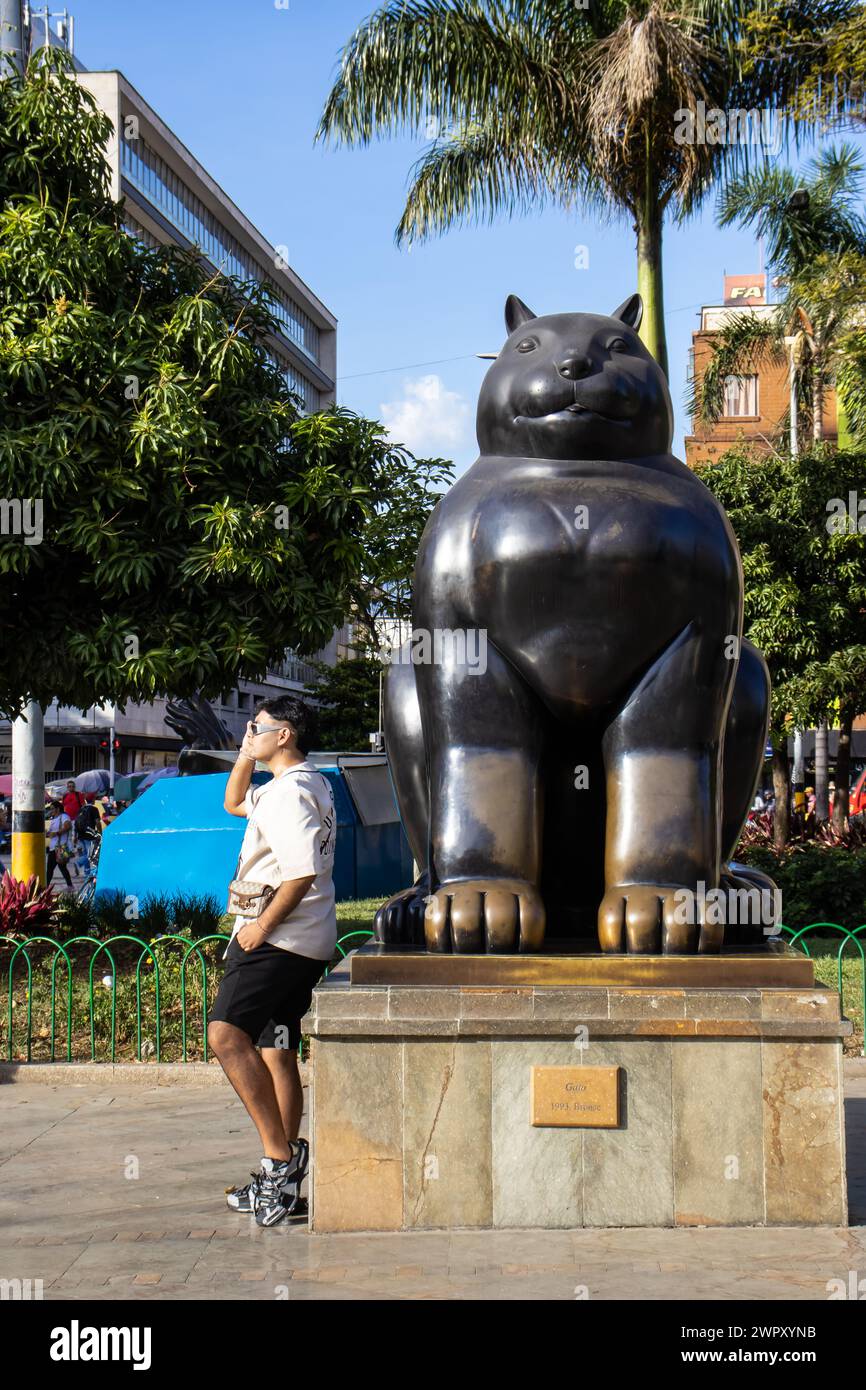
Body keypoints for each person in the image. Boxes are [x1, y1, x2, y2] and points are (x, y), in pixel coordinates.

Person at [207, 696, 336, 1228]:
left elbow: (300, 872)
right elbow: (233, 802)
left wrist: (260, 928)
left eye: (256, 727)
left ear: (285, 735)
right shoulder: (306, 783)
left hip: (275, 942)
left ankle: (279, 1160)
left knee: (224, 1036)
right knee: (276, 1050)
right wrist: (246, 751)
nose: (248, 732)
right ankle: (278, 1173)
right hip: (305, 942)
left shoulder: (289, 795)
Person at [46, 800, 74, 890]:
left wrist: (57, 833)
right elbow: (52, 833)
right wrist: (48, 833)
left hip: (61, 846)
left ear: (58, 809)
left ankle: (45, 887)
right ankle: (70, 885)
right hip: (53, 847)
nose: (51, 811)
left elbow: (68, 826)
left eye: (52, 809)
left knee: (53, 868)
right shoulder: (54, 819)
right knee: (59, 868)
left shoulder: (64, 816)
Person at [74, 794, 101, 874]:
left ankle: (87, 873)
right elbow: (97, 822)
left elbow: (76, 822)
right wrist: (100, 832)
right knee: (90, 855)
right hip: (89, 835)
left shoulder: (81, 809)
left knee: (86, 853)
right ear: (93, 800)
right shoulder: (94, 809)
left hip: (80, 835)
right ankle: (78, 862)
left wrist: (75, 836)